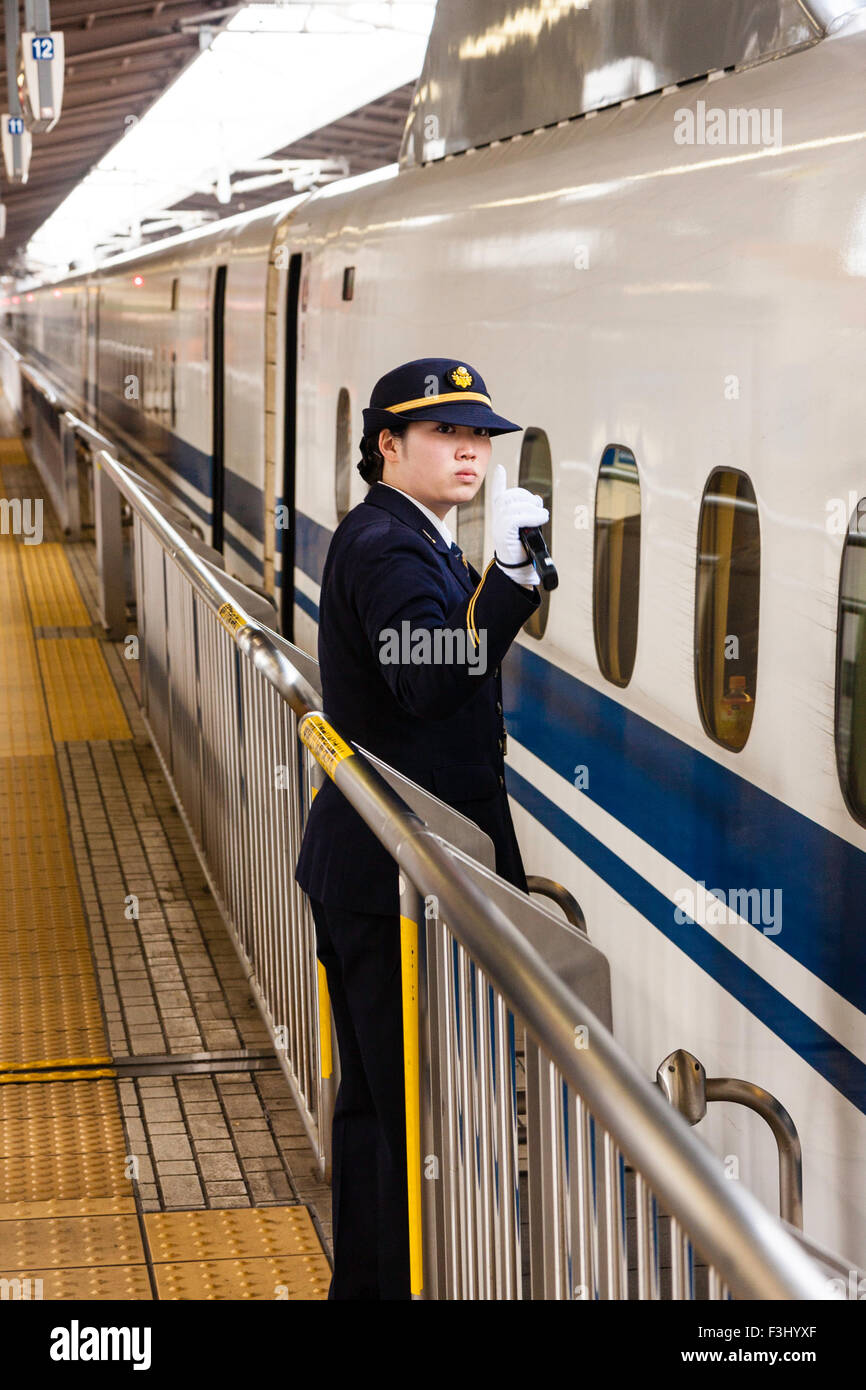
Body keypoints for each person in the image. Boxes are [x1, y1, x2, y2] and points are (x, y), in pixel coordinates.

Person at [295, 357, 548, 1299]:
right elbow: (431, 677)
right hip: (392, 884)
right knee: (410, 1120)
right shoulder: (387, 548)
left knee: (383, 1114)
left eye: (481, 435)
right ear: (387, 447)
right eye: (447, 434)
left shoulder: (413, 537)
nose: (471, 450)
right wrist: (511, 579)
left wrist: (497, 581)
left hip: (383, 871)